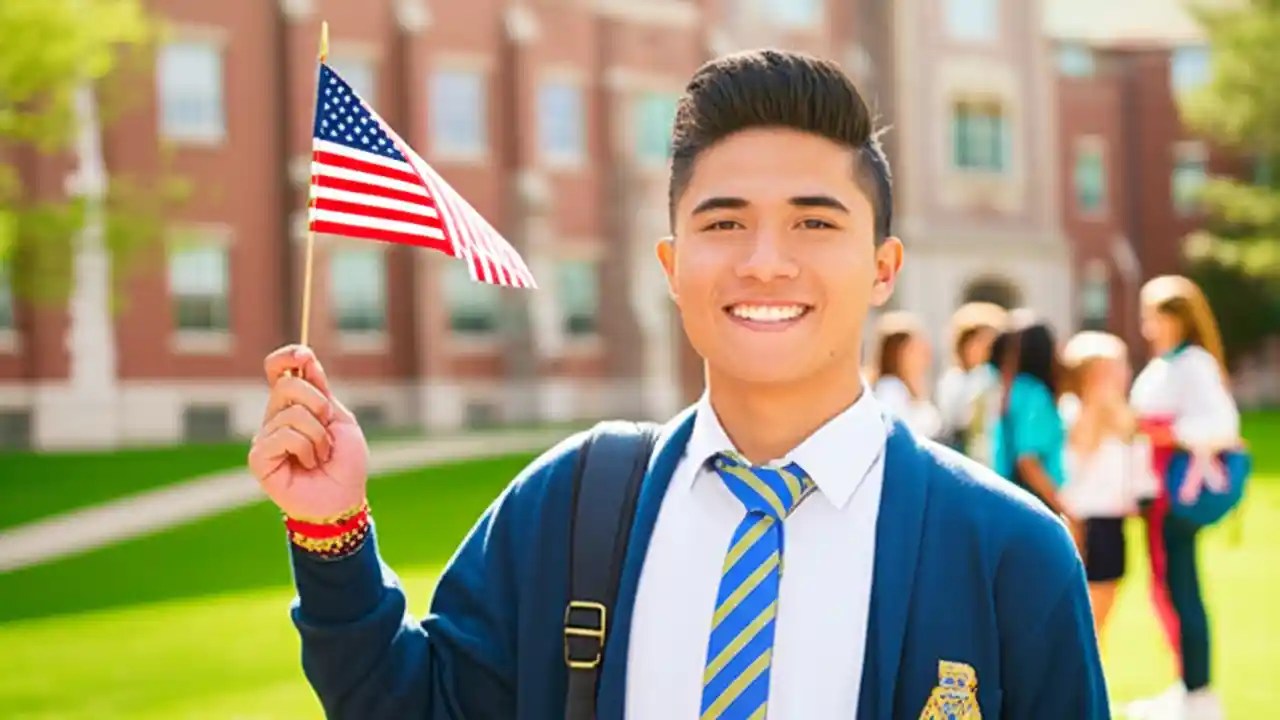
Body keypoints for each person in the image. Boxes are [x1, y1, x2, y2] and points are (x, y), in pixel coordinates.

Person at [249, 49, 1108, 719]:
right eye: (724, 222)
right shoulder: (570, 507)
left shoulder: (1011, 554)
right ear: (670, 265)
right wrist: (333, 530)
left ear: (883, 268)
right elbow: (409, 707)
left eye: (815, 222)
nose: (765, 262)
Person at [1123, 275, 1241, 720]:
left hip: (1174, 496)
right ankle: (1187, 686)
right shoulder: (1169, 363)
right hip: (1155, 495)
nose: (1148, 326)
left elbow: (1221, 426)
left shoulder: (1194, 363)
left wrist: (1161, 431)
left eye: (1155, 317)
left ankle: (1199, 695)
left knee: (1181, 591)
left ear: (1178, 318)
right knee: (1167, 590)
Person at [1058, 331, 1159, 640]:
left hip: (1113, 517)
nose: (1123, 374)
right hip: (1085, 518)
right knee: (1084, 607)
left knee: (1105, 603)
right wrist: (1096, 403)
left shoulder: (1122, 413)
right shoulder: (1073, 409)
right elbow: (1079, 453)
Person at [989, 311, 1072, 521]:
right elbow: (1028, 461)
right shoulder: (1035, 395)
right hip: (1034, 503)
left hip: (1009, 497)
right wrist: (1062, 507)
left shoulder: (1013, 390)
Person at [935, 302, 1007, 456]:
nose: (986, 348)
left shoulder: (998, 379)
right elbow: (957, 419)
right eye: (980, 340)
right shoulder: (954, 380)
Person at [869, 311, 942, 438]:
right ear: (896, 354)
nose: (923, 356)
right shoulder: (890, 389)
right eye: (914, 349)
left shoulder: (911, 388)